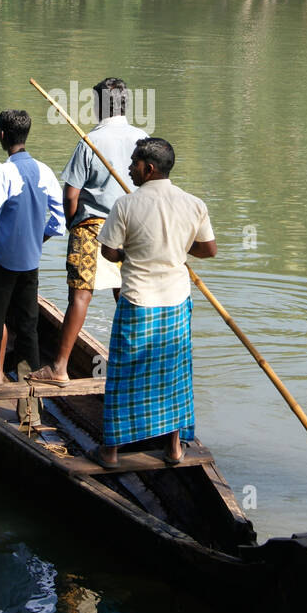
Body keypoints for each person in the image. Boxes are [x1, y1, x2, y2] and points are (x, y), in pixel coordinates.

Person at [95, 137, 216, 467]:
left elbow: (108, 251)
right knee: (173, 373)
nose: (129, 169)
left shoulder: (126, 205)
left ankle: (110, 452)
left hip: (138, 300)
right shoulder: (193, 204)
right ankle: (174, 448)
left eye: (134, 163)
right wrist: (176, 248)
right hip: (176, 301)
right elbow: (208, 249)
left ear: (149, 169)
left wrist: (131, 250)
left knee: (124, 372)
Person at [30, 77, 145, 386]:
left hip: (94, 227)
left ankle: (60, 367)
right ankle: (133, 369)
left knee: (80, 296)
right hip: (131, 228)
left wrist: (72, 223)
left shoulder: (91, 140)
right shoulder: (143, 138)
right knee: (128, 296)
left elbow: (71, 194)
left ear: (99, 106)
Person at [0, 110, 65, 421]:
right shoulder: (44, 171)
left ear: (1, 136)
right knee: (28, 331)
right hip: (30, 264)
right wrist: (37, 238)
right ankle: (31, 412)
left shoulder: (4, 173)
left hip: (2, 264)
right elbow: (59, 222)